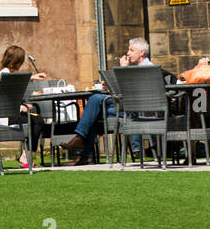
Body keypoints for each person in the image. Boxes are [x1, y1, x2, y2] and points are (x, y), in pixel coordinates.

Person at [65, 37, 153, 165]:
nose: (128, 53)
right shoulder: (135, 67)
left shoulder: (146, 68)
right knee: (94, 115)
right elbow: (124, 91)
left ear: (142, 52)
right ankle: (86, 155)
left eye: (131, 50)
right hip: (126, 107)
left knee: (94, 100)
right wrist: (111, 88)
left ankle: (81, 140)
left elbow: (133, 93)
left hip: (137, 111)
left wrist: (123, 70)